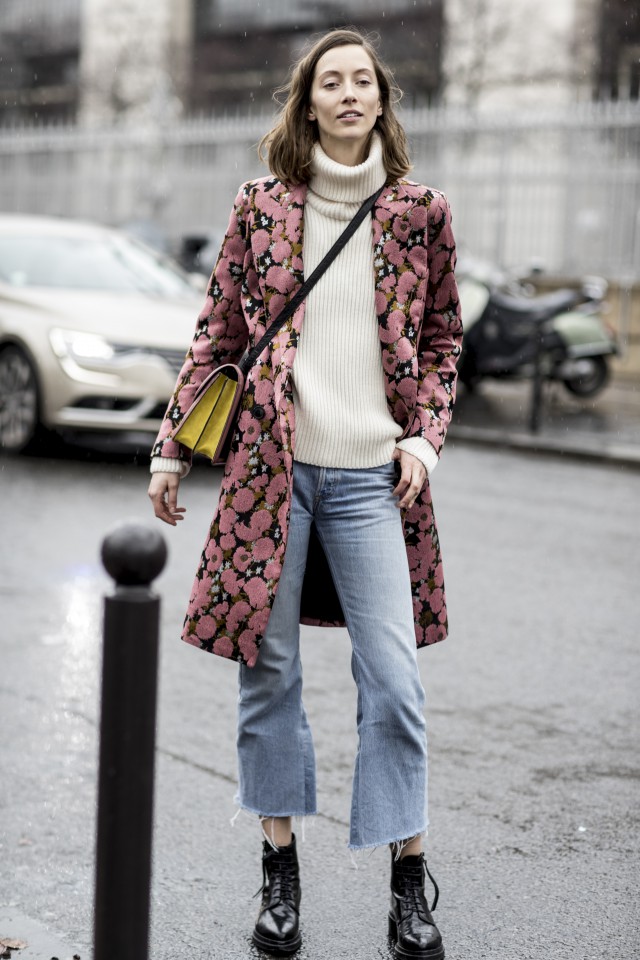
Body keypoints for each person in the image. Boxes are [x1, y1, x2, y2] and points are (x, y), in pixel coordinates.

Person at [148, 27, 462, 960]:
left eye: (364, 80)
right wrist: (171, 450)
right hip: (269, 477)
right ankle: (279, 871)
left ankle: (408, 882)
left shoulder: (420, 213)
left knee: (394, 684)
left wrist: (426, 437)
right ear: (309, 102)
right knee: (270, 673)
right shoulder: (261, 207)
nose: (349, 93)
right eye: (332, 81)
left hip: (373, 479)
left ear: (382, 100)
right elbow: (215, 336)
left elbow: (443, 340)